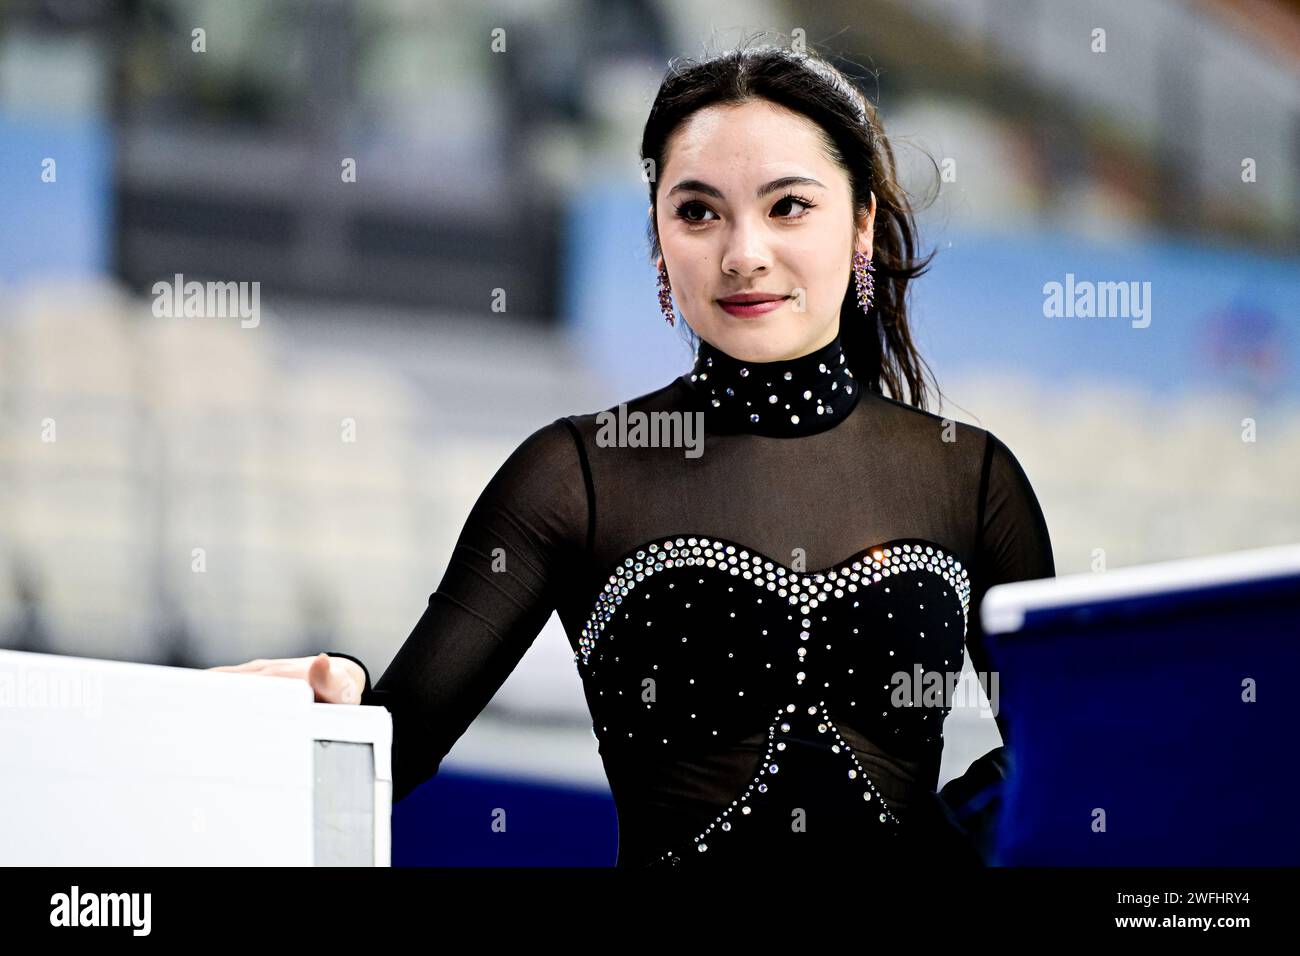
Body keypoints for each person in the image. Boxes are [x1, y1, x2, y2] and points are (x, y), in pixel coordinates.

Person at [210, 42, 1054, 868]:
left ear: (862, 220)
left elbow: (1060, 752)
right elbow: (394, 749)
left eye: (788, 206)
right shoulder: (574, 475)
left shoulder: (968, 478)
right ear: (658, 240)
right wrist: (343, 700)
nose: (743, 253)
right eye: (698, 211)